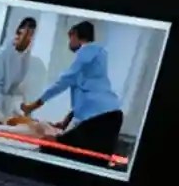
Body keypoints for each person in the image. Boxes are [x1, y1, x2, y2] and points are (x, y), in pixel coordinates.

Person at [20, 21, 124, 165]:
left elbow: (64, 81)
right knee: (92, 162)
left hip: (100, 120)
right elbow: (83, 93)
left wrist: (33, 106)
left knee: (54, 147)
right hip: (110, 116)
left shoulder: (87, 50)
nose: (69, 42)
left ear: (75, 35)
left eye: (70, 37)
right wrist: (65, 122)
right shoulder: (97, 55)